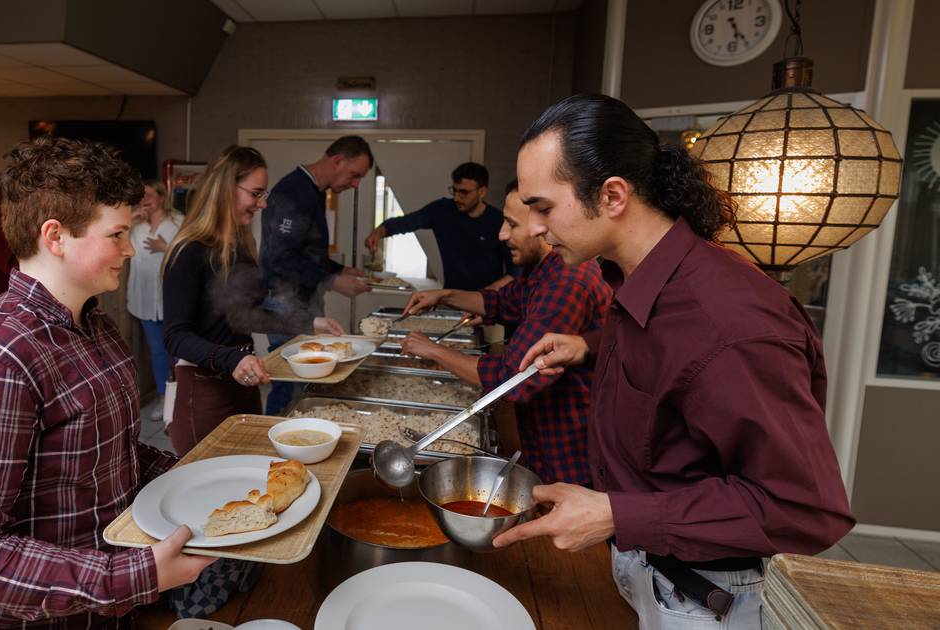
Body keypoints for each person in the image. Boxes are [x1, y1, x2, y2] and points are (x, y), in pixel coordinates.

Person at [494, 94, 854, 628]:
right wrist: (589, 345)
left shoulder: (730, 323)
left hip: (704, 593)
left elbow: (804, 508)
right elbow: (671, 361)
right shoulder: (637, 276)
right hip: (648, 562)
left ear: (612, 195)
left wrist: (617, 513)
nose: (537, 227)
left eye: (543, 208)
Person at [0, 137, 215, 629]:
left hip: (95, 614)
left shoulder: (97, 328)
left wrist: (200, 479)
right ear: (55, 236)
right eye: (116, 234)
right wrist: (133, 576)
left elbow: (111, 457)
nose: (129, 250)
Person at [398, 179, 611, 485]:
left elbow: (513, 379)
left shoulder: (567, 279)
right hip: (544, 432)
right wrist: (443, 295)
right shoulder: (546, 268)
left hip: (570, 443)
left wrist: (433, 350)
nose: (502, 235)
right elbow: (500, 302)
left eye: (511, 224)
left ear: (543, 224)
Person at [163, 145, 344, 455]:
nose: (262, 204)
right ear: (225, 189)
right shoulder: (189, 251)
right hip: (204, 388)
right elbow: (175, 336)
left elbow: (246, 315)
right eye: (256, 193)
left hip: (242, 381)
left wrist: (308, 322)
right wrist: (232, 358)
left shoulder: (237, 247)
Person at [259, 136, 374, 414]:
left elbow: (307, 254)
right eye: (354, 175)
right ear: (337, 160)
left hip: (304, 302)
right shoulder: (293, 192)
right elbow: (280, 257)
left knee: (305, 383)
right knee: (290, 384)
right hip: (284, 303)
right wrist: (333, 281)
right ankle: (272, 440)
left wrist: (340, 270)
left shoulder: (316, 191)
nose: (355, 183)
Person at [364, 162, 514, 290]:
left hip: (488, 304)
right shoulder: (442, 211)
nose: (456, 198)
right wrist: (379, 232)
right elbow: (406, 222)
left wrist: (489, 292)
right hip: (451, 299)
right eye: (454, 190)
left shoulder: (499, 222)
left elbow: (514, 272)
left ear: (482, 192)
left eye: (464, 192)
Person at [127, 178, 180, 422]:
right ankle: (163, 398)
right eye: (141, 196)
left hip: (173, 298)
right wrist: (131, 217)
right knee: (158, 351)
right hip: (144, 299)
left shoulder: (178, 222)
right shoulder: (133, 225)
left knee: (179, 352)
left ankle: (183, 399)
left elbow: (193, 252)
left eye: (148, 195)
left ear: (161, 196)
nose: (145, 200)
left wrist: (165, 247)